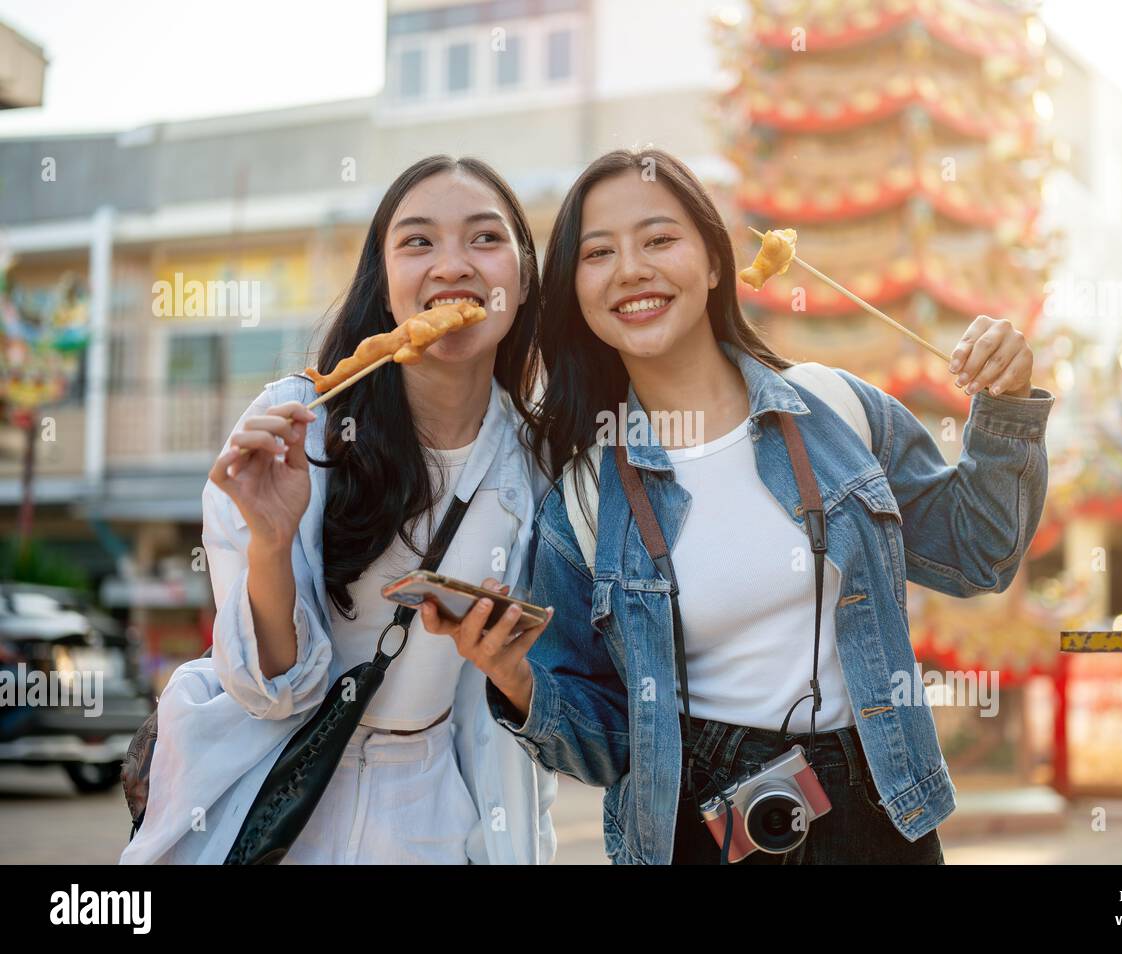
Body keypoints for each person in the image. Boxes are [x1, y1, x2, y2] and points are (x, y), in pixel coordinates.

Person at [439, 147, 1054, 864]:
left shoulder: (838, 411)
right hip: (703, 838)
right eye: (598, 252)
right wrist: (515, 679)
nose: (632, 269)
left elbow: (980, 551)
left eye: (659, 239)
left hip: (879, 819)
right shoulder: (583, 497)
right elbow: (606, 748)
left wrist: (1006, 406)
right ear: (576, 290)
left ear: (714, 261)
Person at [121, 155, 557, 864]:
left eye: (484, 239)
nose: (451, 265)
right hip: (268, 792)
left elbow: (542, 696)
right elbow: (272, 692)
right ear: (384, 287)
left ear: (523, 276)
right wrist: (271, 540)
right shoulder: (298, 425)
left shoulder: (538, 463)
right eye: (417, 242)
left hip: (432, 810)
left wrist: (512, 663)